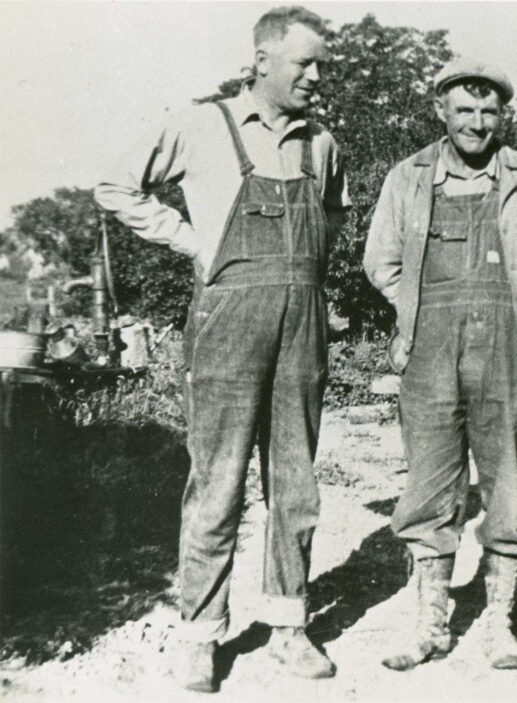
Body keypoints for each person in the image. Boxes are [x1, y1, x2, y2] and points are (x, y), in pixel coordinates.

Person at [95, 6, 349, 692]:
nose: (316, 77)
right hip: (228, 325)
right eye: (305, 64)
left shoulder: (320, 143)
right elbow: (115, 185)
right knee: (218, 485)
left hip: (302, 329)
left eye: (320, 63)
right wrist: (192, 241)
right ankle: (202, 634)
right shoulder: (202, 125)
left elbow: (331, 217)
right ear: (263, 60)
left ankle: (290, 626)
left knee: (295, 485)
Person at [363, 57, 517, 672]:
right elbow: (381, 261)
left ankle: (500, 623)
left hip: (506, 343)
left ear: (502, 116)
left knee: (505, 481)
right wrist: (414, 308)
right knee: (430, 482)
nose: (476, 123)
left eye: (488, 111)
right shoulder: (408, 177)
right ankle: (431, 624)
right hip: (429, 347)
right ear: (440, 111)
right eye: (464, 110)